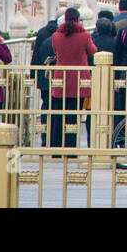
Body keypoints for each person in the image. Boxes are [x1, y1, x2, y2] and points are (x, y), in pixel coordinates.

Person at [49, 8, 97, 150]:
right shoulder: (84, 35)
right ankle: (71, 149)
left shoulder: (56, 36)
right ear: (78, 19)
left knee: (58, 116)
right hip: (79, 80)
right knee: (73, 117)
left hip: (60, 79)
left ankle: (56, 148)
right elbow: (93, 51)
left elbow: (55, 51)